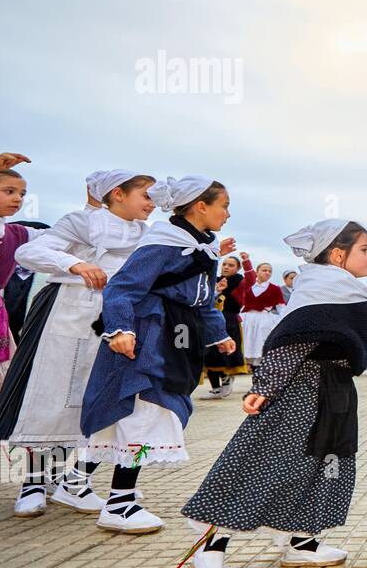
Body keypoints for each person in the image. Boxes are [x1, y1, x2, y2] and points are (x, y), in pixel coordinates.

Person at [182, 220, 367, 568]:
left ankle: (303, 540)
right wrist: (266, 387)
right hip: (301, 389)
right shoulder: (322, 289)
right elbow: (290, 341)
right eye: (365, 249)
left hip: (335, 389)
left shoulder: (347, 289)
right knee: (265, 459)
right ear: (338, 254)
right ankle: (215, 539)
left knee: (325, 462)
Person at [0, 171, 154, 519]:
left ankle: (72, 482)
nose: (153, 203)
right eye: (146, 196)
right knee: (52, 394)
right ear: (118, 194)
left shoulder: (147, 234)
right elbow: (31, 251)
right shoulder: (82, 222)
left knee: (94, 399)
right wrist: (74, 263)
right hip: (66, 313)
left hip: (117, 319)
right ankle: (32, 483)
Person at [80, 176, 237, 534]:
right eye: (223, 205)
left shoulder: (203, 248)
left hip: (177, 337)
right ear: (201, 206)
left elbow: (203, 300)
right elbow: (122, 287)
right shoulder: (163, 243)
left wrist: (219, 335)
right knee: (144, 412)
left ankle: (76, 481)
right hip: (150, 336)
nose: (227, 213)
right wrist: (120, 329)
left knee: (138, 414)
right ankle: (120, 503)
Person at [0, 154, 41, 433]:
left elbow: (68, 236)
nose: (18, 199)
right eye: (8, 191)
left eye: (22, 194)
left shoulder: (18, 233)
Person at [203, 256, 246, 398]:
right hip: (210, 319)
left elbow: (251, 280)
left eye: (231, 265)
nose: (226, 267)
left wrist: (247, 262)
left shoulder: (240, 282)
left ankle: (226, 380)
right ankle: (215, 388)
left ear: (238, 268)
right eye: (225, 264)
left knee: (224, 354)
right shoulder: (213, 280)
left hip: (229, 321)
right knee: (209, 354)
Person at [233, 254, 285, 367]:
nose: (267, 273)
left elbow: (281, 307)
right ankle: (253, 373)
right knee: (248, 346)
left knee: (262, 348)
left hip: (265, 320)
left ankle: (260, 378)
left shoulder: (275, 289)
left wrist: (284, 321)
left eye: (270, 271)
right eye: (264, 270)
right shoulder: (249, 288)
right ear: (257, 272)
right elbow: (242, 305)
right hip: (249, 321)